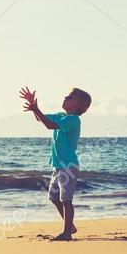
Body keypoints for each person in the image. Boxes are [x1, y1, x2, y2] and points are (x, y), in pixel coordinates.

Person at [19, 86, 92, 241]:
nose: (65, 98)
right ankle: (70, 225)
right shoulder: (60, 116)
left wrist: (35, 109)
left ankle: (67, 233)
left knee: (66, 199)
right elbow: (42, 119)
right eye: (66, 96)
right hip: (58, 166)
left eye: (70, 97)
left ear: (80, 106)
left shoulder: (73, 120)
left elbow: (50, 125)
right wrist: (34, 108)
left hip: (68, 166)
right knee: (53, 197)